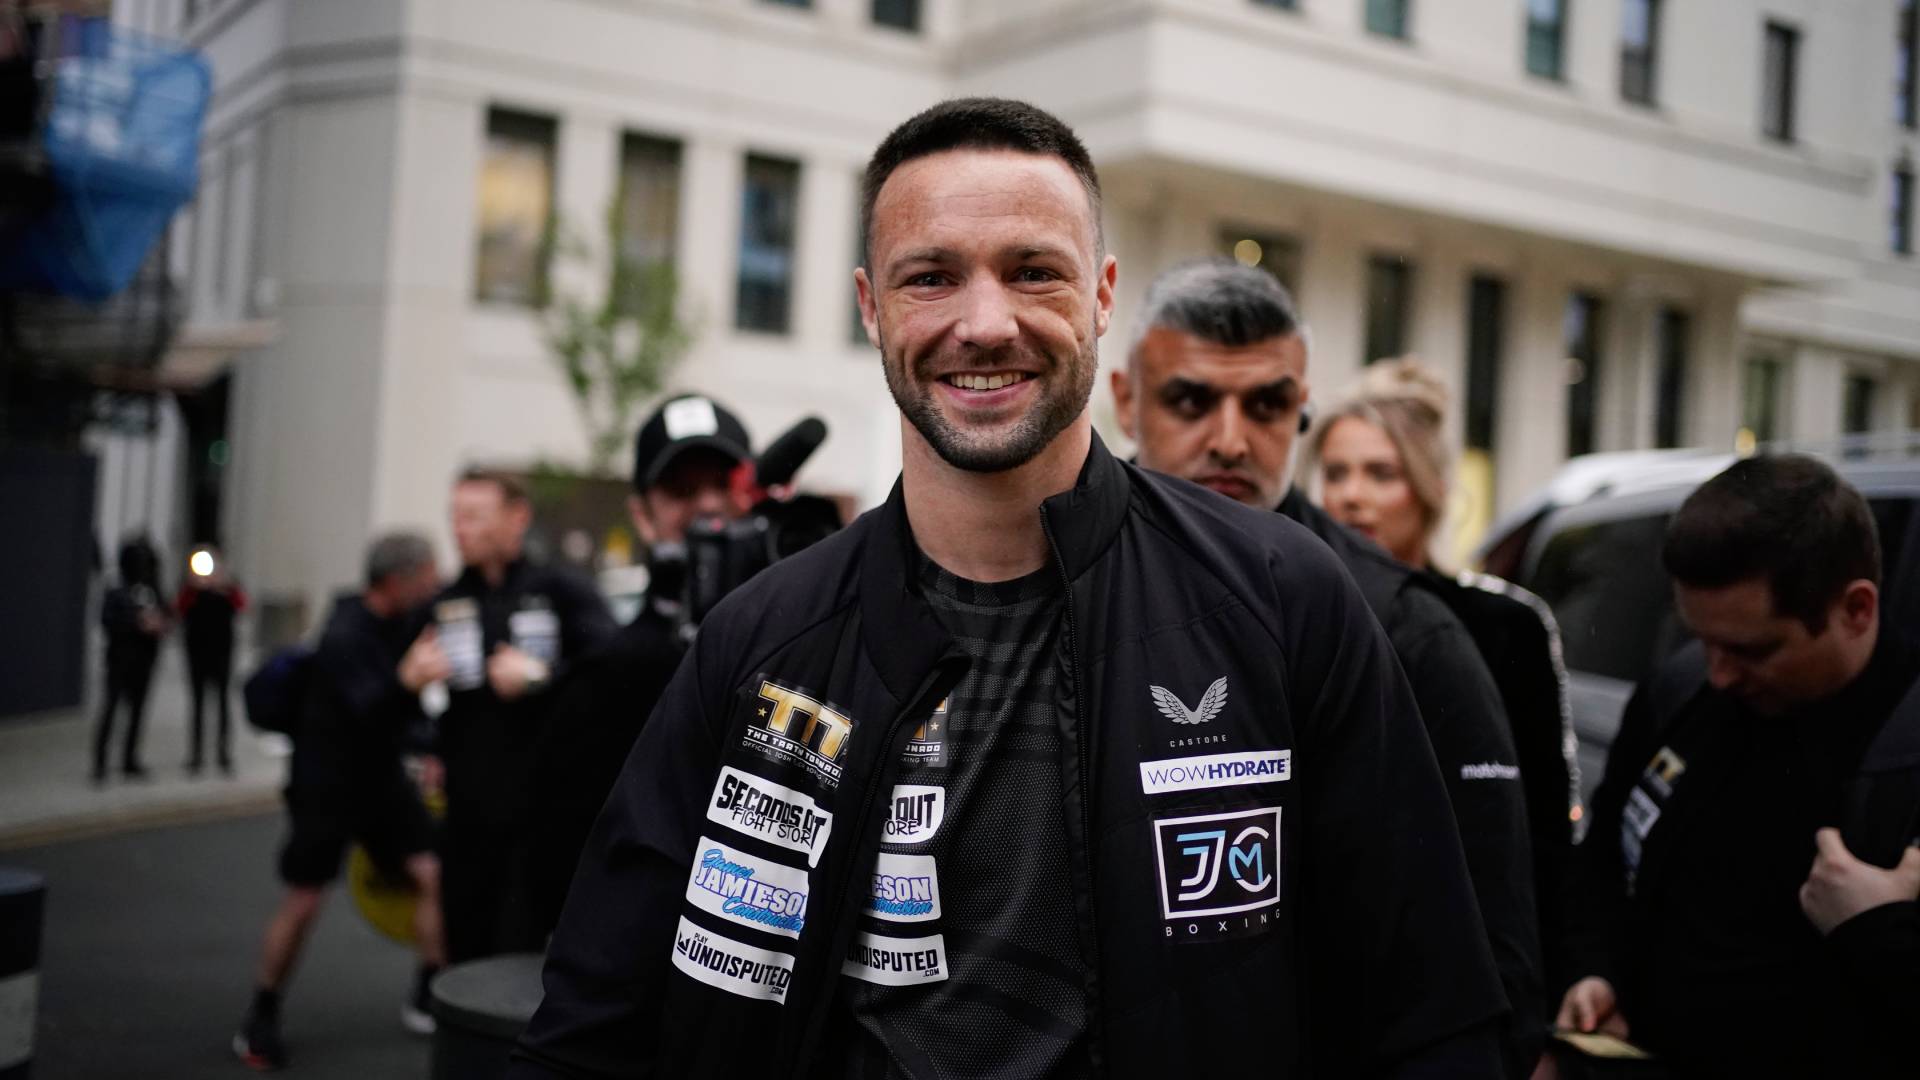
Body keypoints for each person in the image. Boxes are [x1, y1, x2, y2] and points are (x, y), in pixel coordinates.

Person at [511, 97, 1506, 1079]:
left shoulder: (1282, 599)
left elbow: (1432, 1019)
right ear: (871, 307)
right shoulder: (759, 642)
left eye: (1033, 272)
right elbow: (591, 1029)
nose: (985, 325)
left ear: (1102, 295)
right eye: (931, 277)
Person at [1113, 259, 1542, 1075]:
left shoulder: (1403, 628)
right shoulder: (1053, 579)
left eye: (1267, 405)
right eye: (1192, 401)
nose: (1231, 438)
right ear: (1127, 398)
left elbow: (1492, 965)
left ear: (1302, 406)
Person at [1556, 455, 1920, 1076]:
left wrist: (1879, 929)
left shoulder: (1904, 750)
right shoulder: (1680, 695)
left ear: (1856, 609)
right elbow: (1601, 870)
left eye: (1752, 649)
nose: (1720, 674)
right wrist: (1595, 971)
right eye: (1703, 640)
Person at [1306, 357, 1583, 1007]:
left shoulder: (1505, 626)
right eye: (1336, 473)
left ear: (1428, 485)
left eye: (1381, 473)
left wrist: (1543, 992)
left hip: (1474, 956)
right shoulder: (1301, 617)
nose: (1351, 495)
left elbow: (1543, 829)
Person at [527, 394, 753, 939]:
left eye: (722, 485)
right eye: (682, 491)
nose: (708, 506)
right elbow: (563, 856)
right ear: (642, 516)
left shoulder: (809, 644)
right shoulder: (607, 676)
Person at [233, 533, 450, 1071]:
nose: (433, 587)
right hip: (327, 783)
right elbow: (371, 709)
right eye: (426, 578)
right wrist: (406, 682)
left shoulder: (404, 620)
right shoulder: (345, 635)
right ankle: (261, 1014)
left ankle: (429, 991)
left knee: (430, 872)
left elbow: (403, 717)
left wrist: (430, 745)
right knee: (305, 899)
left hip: (380, 780)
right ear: (396, 581)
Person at [432, 467, 617, 963]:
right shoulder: (448, 600)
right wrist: (409, 687)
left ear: (517, 518)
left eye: (474, 516)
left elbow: (612, 674)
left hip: (541, 818)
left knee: (518, 958)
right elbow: (405, 701)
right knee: (464, 953)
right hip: (467, 818)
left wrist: (542, 677)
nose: (459, 529)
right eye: (455, 516)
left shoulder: (561, 590)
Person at [92, 535, 167, 783]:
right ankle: (100, 762)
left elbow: (167, 615)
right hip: (120, 660)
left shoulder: (150, 591)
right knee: (111, 710)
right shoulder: (116, 592)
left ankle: (129, 759)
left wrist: (158, 625)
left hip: (144, 661)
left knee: (137, 713)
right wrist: (136, 623)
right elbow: (108, 621)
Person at [176, 547, 249, 775]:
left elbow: (242, 605)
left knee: (222, 703)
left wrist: (224, 587)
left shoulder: (228, 586)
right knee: (197, 704)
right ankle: (196, 755)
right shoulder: (191, 588)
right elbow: (179, 608)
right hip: (197, 652)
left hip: (222, 652)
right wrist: (194, 587)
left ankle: (223, 754)